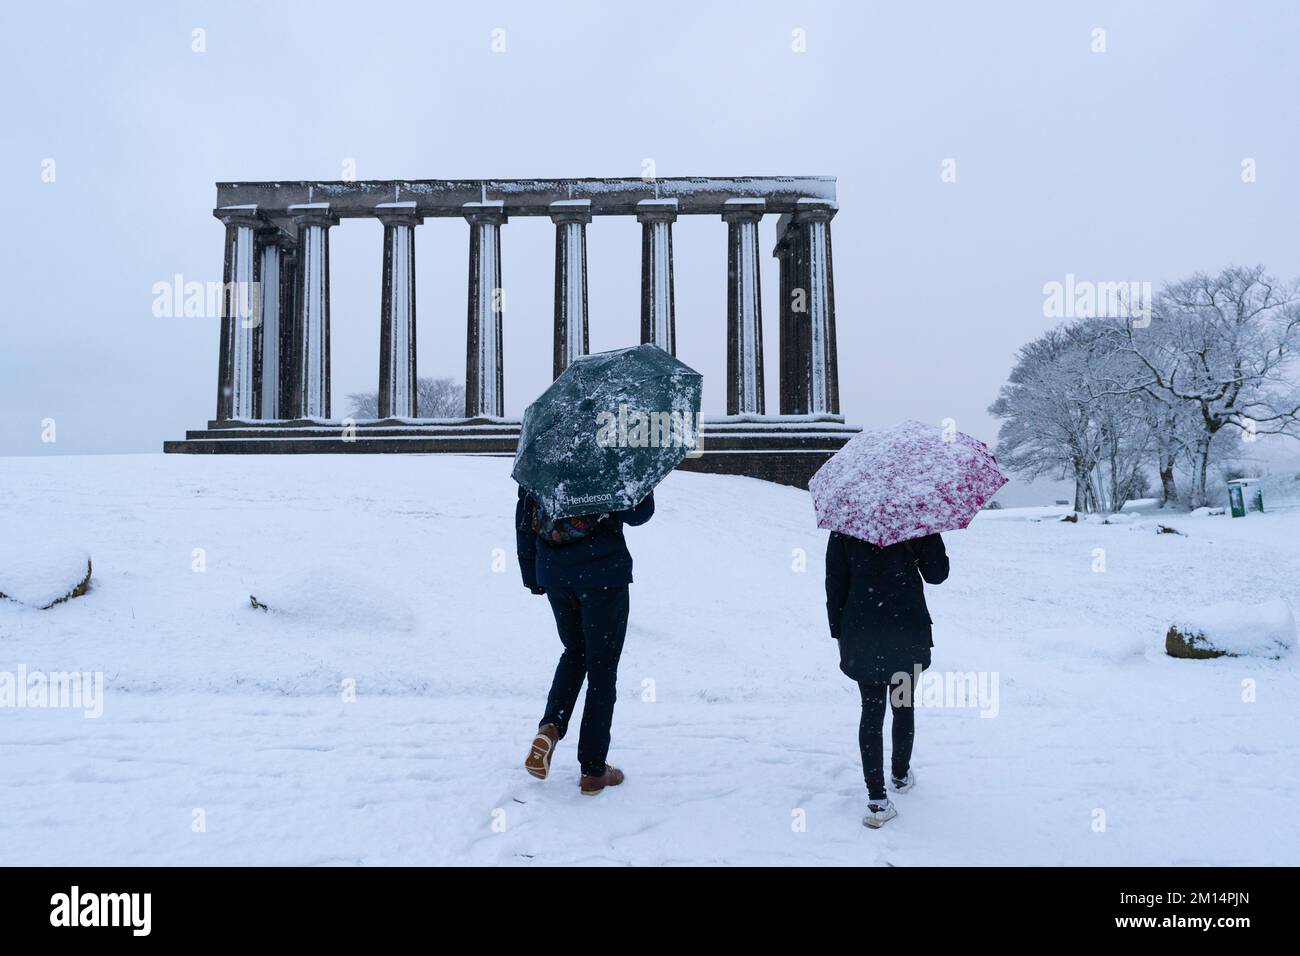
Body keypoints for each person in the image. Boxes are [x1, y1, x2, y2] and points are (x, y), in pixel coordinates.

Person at [516, 486, 655, 795]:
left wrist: (532, 573)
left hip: (554, 573)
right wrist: (639, 485)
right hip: (602, 573)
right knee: (602, 670)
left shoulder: (544, 451)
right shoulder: (607, 453)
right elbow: (639, 513)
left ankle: (550, 727)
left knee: (574, 650)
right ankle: (593, 771)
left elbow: (525, 515)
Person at [826, 530, 948, 828]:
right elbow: (937, 574)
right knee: (902, 704)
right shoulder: (919, 520)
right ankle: (900, 775)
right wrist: (922, 544)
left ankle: (878, 801)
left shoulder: (847, 523)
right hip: (906, 630)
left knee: (871, 710)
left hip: (862, 631)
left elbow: (835, 583)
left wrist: (839, 631)